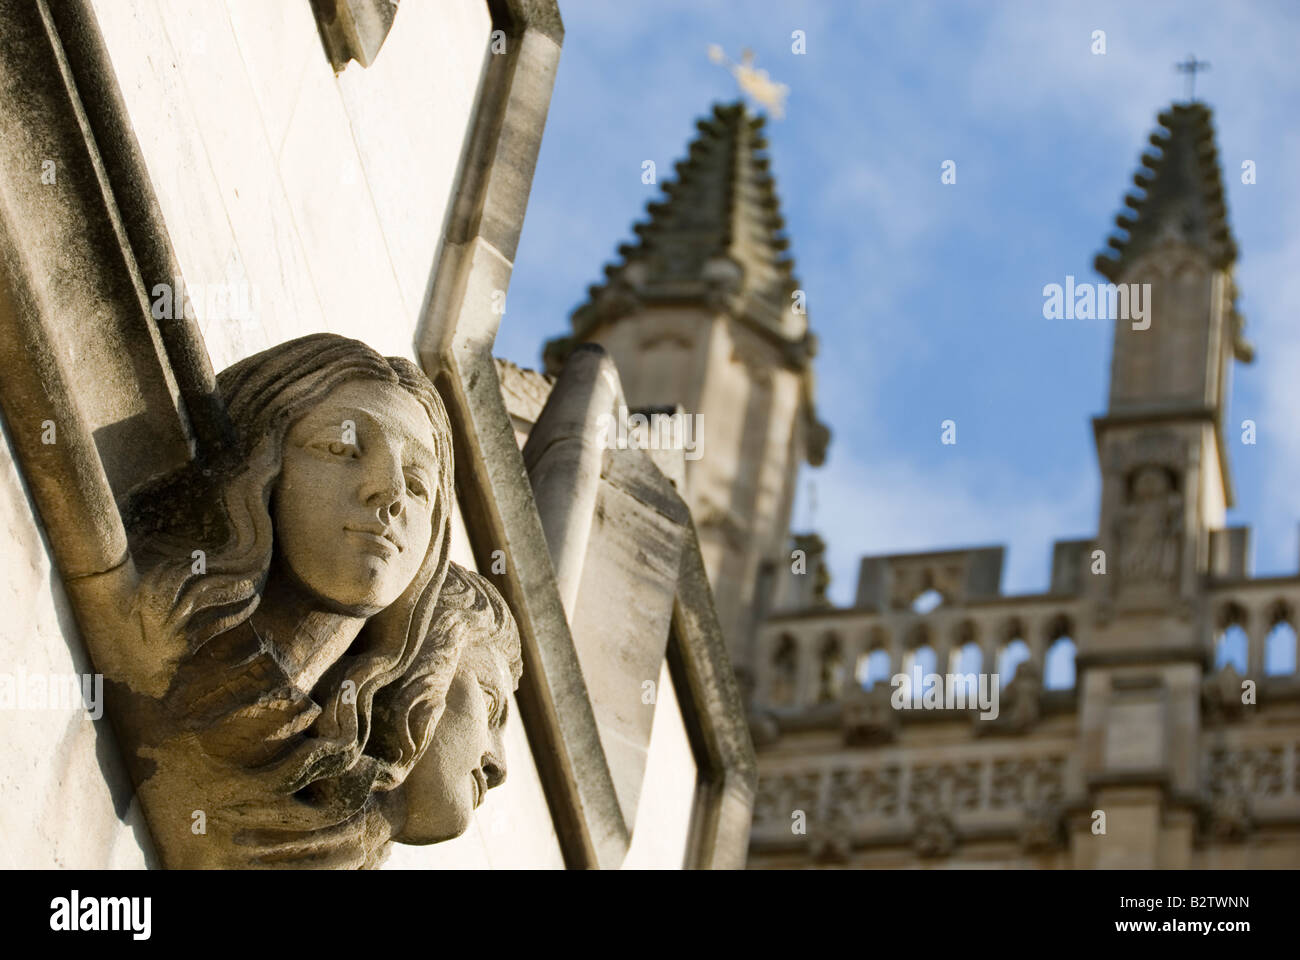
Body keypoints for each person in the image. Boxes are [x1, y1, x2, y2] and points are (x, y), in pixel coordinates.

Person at [116, 334, 516, 868]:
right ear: (261, 464)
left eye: (419, 485)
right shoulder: (154, 623)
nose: (390, 491)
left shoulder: (328, 769)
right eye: (341, 449)